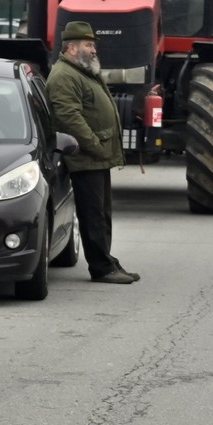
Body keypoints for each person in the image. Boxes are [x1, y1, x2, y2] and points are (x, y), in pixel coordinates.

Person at [45, 21, 139, 284]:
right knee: (92, 214)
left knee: (102, 212)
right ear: (72, 48)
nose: (94, 49)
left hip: (96, 157)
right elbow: (69, 118)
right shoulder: (65, 76)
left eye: (93, 44)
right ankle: (101, 267)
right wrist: (95, 146)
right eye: (88, 44)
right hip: (85, 157)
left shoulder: (82, 71)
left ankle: (107, 261)